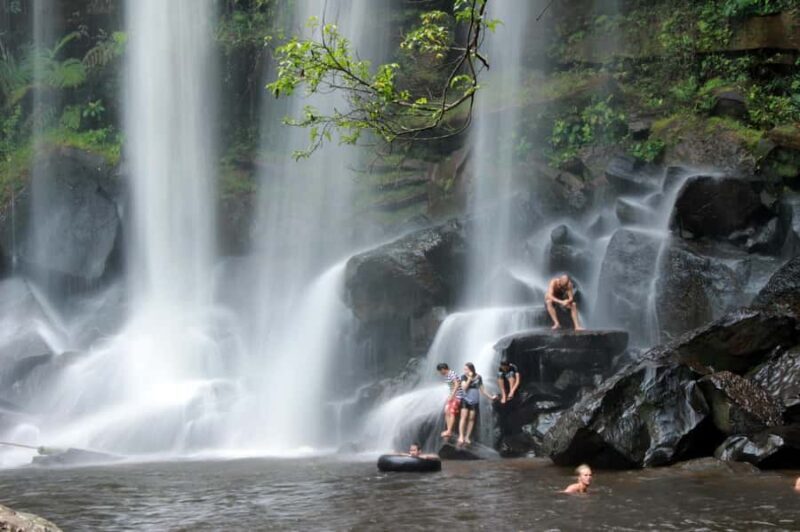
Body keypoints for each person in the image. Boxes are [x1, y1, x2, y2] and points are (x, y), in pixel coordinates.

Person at [458, 362, 496, 446]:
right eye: (464, 369)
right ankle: (461, 435)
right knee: (463, 417)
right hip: (465, 398)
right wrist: (470, 378)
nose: (465, 371)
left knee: (471, 418)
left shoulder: (479, 377)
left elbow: (482, 389)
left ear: (471, 369)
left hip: (475, 399)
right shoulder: (463, 377)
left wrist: (490, 397)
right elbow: (464, 388)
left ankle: (467, 436)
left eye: (466, 369)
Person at [437, 363, 464, 440]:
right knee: (446, 411)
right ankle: (448, 430)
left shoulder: (451, 374)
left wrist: (452, 395)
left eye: (440, 371)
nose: (440, 373)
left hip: (457, 396)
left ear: (443, 369)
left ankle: (449, 430)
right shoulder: (448, 375)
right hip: (453, 395)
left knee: (451, 412)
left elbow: (456, 384)